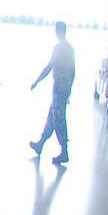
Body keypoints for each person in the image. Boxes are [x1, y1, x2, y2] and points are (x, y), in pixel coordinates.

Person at [30, 21, 75, 165]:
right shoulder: (70, 48)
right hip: (65, 85)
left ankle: (64, 151)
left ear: (57, 31)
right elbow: (74, 70)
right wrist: (70, 89)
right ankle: (40, 144)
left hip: (59, 86)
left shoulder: (59, 47)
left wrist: (37, 80)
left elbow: (49, 66)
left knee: (59, 118)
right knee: (53, 115)